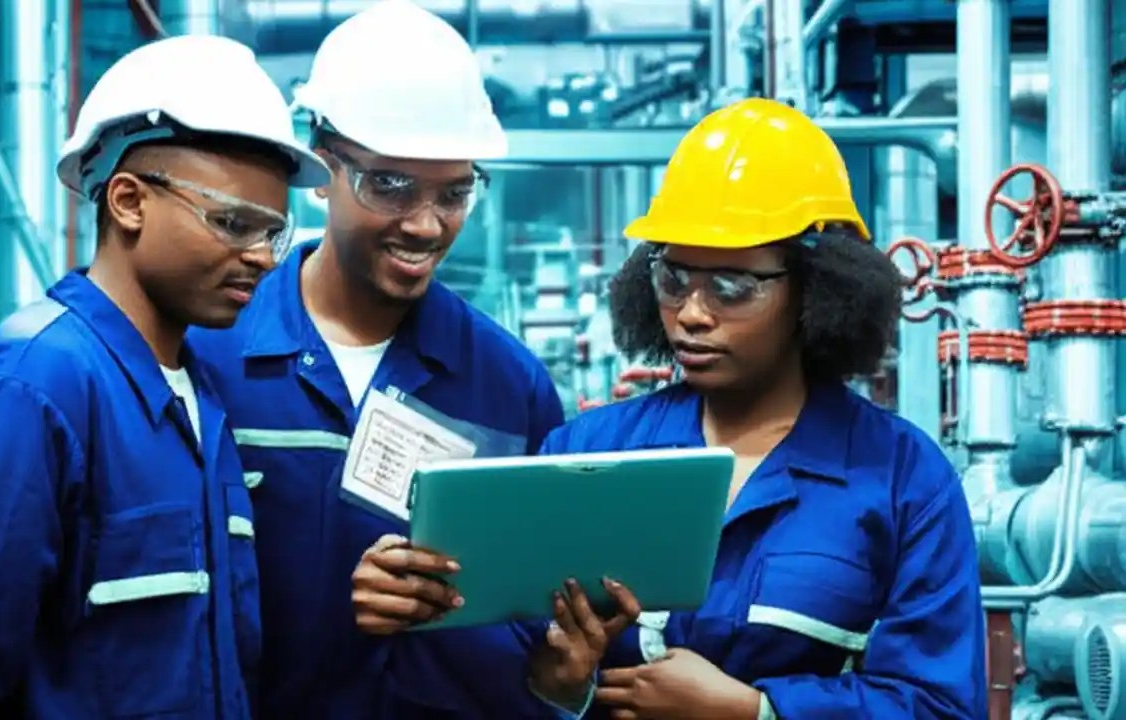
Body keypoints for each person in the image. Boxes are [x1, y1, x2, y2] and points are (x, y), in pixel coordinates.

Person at [0, 35, 330, 719]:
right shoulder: (31, 393)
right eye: (234, 224)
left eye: (274, 234)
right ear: (129, 202)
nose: (261, 258)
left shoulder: (198, 399)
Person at [524, 98, 988, 719]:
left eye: (732, 287)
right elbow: (506, 662)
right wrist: (559, 686)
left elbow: (941, 705)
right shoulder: (583, 456)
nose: (692, 312)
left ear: (819, 291)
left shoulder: (902, 480)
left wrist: (755, 712)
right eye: (672, 278)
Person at [187, 1, 575, 717]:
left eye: (455, 193)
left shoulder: (508, 384)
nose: (426, 225)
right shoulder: (211, 353)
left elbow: (539, 611)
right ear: (321, 166)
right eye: (390, 185)